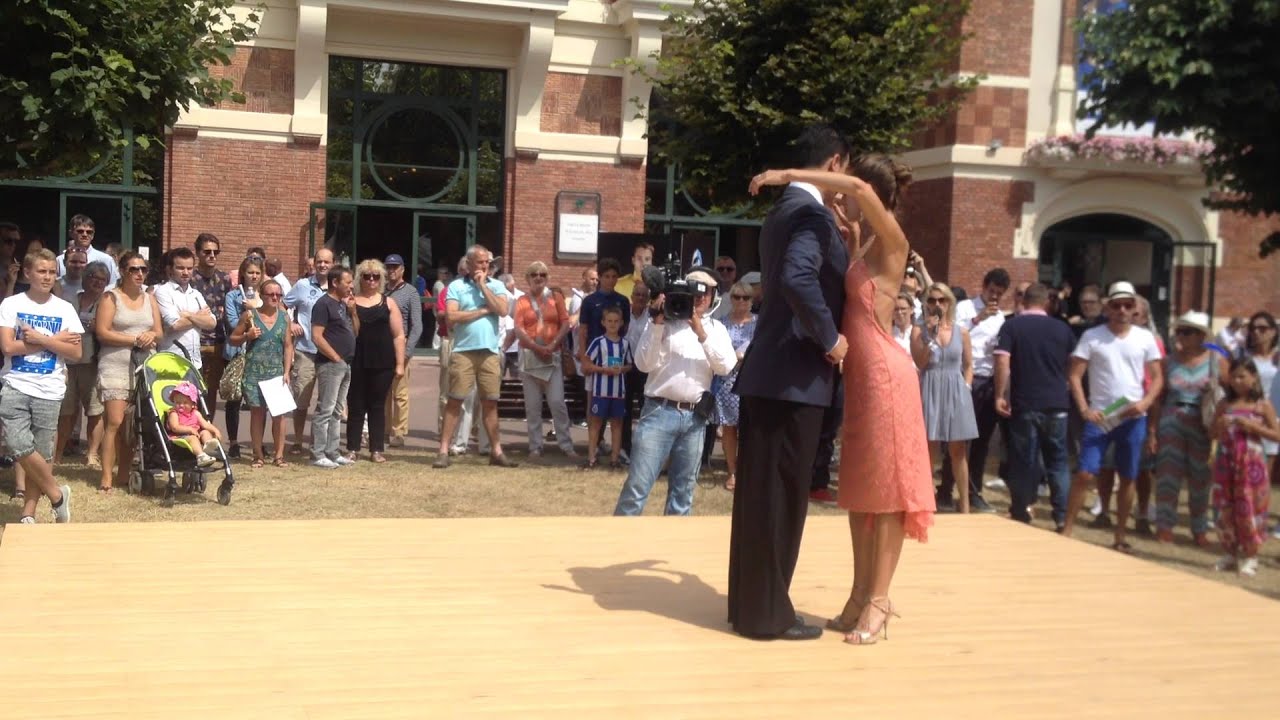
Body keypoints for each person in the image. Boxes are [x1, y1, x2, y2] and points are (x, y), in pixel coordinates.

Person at [748, 151, 934, 645]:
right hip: (859, 380)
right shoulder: (868, 242)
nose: (839, 196)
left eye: (845, 188)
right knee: (860, 491)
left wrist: (786, 173)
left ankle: (879, 599)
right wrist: (850, 241)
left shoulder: (894, 236)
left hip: (888, 379)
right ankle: (858, 594)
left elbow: (860, 192)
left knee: (890, 494)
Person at [728, 124, 851, 642]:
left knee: (759, 499)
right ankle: (768, 616)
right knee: (780, 501)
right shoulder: (811, 214)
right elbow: (801, 279)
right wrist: (831, 338)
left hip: (771, 374)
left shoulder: (782, 212)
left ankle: (750, 605)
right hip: (794, 378)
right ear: (836, 164)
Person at [613, 268, 735, 515]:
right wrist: (657, 322)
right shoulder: (664, 321)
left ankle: (671, 550)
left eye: (706, 291)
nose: (700, 297)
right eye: (694, 290)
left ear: (713, 296)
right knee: (637, 488)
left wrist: (700, 331)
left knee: (682, 494)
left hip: (694, 419)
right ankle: (617, 546)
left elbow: (726, 366)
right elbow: (642, 364)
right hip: (659, 410)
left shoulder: (717, 330)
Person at [1061, 281, 1164, 552]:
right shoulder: (1093, 336)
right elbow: (1074, 374)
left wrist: (1145, 403)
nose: (1122, 310)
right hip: (1101, 416)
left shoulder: (1145, 338)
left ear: (1135, 307)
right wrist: (1084, 409)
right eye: (1116, 305)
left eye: (1127, 305)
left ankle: (1119, 536)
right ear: (1107, 307)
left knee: (1128, 475)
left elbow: (1157, 378)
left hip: (1132, 416)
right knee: (1085, 473)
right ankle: (1068, 529)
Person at [1, 249, 83, 524]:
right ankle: (57, 494)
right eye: (41, 271)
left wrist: (40, 338)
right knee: (16, 443)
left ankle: (29, 513)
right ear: (27, 273)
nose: (48, 277)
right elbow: (8, 346)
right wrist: (54, 339)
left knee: (43, 452)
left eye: (51, 272)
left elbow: (76, 353)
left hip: (50, 388)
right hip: (16, 384)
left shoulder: (64, 308)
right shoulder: (11, 305)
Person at [994, 282, 1078, 530]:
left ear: (1023, 301)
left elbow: (1001, 361)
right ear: (1047, 302)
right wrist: (1065, 383)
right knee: (1058, 461)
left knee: (1024, 459)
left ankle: (1021, 510)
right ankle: (1061, 515)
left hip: (1025, 401)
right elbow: (1075, 361)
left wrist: (1000, 394)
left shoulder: (1012, 326)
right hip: (1057, 402)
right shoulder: (1062, 329)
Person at [434, 245, 518, 469]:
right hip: (463, 351)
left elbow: (501, 309)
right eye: (480, 262)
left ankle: (496, 451)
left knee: (490, 402)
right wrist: (481, 311)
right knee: (455, 400)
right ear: (469, 264)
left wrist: (483, 285)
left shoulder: (497, 285)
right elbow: (451, 316)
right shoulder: (457, 287)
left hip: (490, 351)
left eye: (487, 263)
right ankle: (443, 450)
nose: (485, 266)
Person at [1150, 310, 1227, 545]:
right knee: (1167, 475)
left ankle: (1199, 528)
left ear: (1201, 335)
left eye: (1187, 332)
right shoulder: (1169, 361)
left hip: (1203, 422)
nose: (1180, 336)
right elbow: (1157, 397)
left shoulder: (1216, 359)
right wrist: (1152, 430)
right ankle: (1165, 525)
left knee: (1201, 477)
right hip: (1172, 418)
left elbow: (1228, 391)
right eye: (1179, 331)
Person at [938, 267, 1010, 513]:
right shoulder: (966, 308)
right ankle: (945, 490)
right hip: (962, 377)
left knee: (981, 442)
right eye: (992, 291)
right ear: (984, 286)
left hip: (986, 382)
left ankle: (973, 492)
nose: (994, 298)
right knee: (957, 440)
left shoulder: (1002, 318)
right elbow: (951, 334)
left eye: (999, 294)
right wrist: (979, 318)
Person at [95, 251, 162, 493]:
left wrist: (151, 335)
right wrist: (134, 339)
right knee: (115, 421)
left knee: (134, 425)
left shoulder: (149, 298)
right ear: (123, 271)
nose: (139, 274)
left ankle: (124, 474)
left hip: (143, 366)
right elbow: (102, 332)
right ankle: (106, 477)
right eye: (134, 269)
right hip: (115, 365)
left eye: (143, 269)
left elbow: (159, 332)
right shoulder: (110, 298)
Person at [1210, 359, 1280, 577]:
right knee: (1226, 507)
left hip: (1251, 463)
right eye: (1234, 377)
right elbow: (1211, 432)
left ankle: (1251, 555)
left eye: (1242, 376)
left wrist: (1254, 427)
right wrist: (1219, 426)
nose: (1237, 381)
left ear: (1254, 378)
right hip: (1226, 460)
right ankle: (1230, 552)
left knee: (1250, 508)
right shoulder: (1224, 404)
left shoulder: (1262, 405)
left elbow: (1277, 434)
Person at [912, 282, 977, 514]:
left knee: (958, 451)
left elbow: (969, 365)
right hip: (929, 386)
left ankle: (965, 504)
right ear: (926, 304)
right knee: (928, 449)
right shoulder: (918, 330)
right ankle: (926, 504)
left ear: (950, 302)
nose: (937, 304)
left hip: (956, 390)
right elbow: (919, 362)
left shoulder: (962, 332)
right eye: (932, 300)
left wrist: (966, 387)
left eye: (942, 300)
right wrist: (931, 334)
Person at [513, 261, 576, 459]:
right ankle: (535, 446)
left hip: (552, 356)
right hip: (530, 357)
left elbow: (565, 323)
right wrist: (536, 347)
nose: (538, 278)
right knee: (533, 405)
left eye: (542, 274)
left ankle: (566, 445)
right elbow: (519, 328)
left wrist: (552, 344)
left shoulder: (555, 297)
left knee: (557, 402)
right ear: (528, 278)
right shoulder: (522, 300)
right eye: (534, 275)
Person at [229, 278, 293, 468]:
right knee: (258, 414)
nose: (275, 298)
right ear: (262, 296)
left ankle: (279, 455)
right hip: (254, 372)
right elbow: (232, 339)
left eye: (278, 294)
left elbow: (288, 346)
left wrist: (287, 371)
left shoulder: (285, 317)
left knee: (279, 415)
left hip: (276, 372)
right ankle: (258, 455)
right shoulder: (250, 316)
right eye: (270, 294)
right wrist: (247, 336)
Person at [346, 259, 405, 463]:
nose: (371, 280)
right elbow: (352, 332)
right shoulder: (351, 301)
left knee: (377, 406)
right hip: (357, 359)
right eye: (366, 276)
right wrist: (352, 312)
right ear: (359, 278)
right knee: (355, 405)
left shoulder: (388, 303)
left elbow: (398, 335)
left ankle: (376, 449)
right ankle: (352, 448)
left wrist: (399, 364)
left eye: (375, 276)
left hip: (383, 361)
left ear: (381, 279)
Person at [54, 261, 108, 467]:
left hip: (93, 363)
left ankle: (92, 454)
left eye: (102, 279)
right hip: (68, 363)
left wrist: (100, 327)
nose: (97, 282)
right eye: (93, 277)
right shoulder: (69, 302)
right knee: (66, 412)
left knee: (95, 410)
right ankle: (57, 454)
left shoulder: (106, 303)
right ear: (85, 279)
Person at [284, 248, 334, 455]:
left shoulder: (338, 285)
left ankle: (319, 443)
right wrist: (292, 322)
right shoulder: (302, 286)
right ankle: (297, 441)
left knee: (326, 401)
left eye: (326, 262)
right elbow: (281, 304)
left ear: (333, 263)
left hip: (330, 353)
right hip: (306, 350)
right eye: (319, 262)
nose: (322, 265)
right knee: (301, 400)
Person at [308, 266, 359, 469]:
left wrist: (353, 312)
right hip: (330, 364)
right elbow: (317, 336)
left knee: (338, 410)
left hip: (345, 364)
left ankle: (332, 451)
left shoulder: (342, 305)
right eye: (347, 282)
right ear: (335, 282)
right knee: (325, 409)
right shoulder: (323, 304)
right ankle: (318, 453)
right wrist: (336, 357)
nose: (351, 286)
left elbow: (355, 332)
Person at [712, 281, 757, 491]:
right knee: (729, 429)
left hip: (751, 383)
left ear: (752, 300)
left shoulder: (759, 323)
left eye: (745, 297)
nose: (741, 301)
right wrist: (735, 357)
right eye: (737, 296)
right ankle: (732, 472)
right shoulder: (720, 324)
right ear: (731, 299)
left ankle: (748, 473)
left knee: (750, 430)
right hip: (726, 383)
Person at [221, 256, 266, 458]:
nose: (254, 276)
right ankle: (233, 442)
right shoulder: (232, 296)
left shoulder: (266, 296)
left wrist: (256, 308)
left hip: (259, 353)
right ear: (243, 274)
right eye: (250, 272)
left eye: (257, 272)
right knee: (235, 399)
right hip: (237, 352)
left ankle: (258, 442)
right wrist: (245, 311)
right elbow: (232, 323)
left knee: (258, 400)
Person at [584, 307, 633, 469]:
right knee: (596, 423)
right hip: (601, 391)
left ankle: (614, 459)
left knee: (617, 424)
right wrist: (603, 370)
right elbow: (587, 363)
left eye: (616, 321)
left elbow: (630, 364)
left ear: (621, 323)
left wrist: (622, 369)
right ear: (603, 323)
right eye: (609, 321)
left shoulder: (625, 344)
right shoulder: (598, 342)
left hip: (618, 392)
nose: (612, 324)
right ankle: (591, 457)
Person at [382, 254, 423, 448]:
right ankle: (383, 429)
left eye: (395, 267)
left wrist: (407, 352)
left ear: (402, 269)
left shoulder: (411, 292)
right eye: (389, 267)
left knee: (399, 393)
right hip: (382, 347)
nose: (391, 270)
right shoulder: (380, 291)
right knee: (382, 392)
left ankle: (398, 432)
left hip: (400, 347)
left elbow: (417, 326)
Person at [192, 233, 232, 422]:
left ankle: (208, 431)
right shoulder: (190, 278)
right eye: (207, 251)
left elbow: (228, 310)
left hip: (217, 343)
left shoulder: (224, 279)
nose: (212, 255)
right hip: (194, 343)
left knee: (211, 392)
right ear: (198, 253)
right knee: (191, 391)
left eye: (216, 252)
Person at [154, 248, 216, 367]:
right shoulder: (163, 292)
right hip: (172, 362)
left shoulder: (196, 294)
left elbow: (212, 323)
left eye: (189, 268)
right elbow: (174, 324)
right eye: (180, 268)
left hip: (195, 363)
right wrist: (199, 317)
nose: (185, 272)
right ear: (170, 269)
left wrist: (188, 315)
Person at [164, 381, 221, 467]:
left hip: (195, 434)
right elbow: (175, 427)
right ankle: (200, 456)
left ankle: (208, 445)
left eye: (185, 403)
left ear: (193, 404)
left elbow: (205, 424)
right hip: (180, 436)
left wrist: (215, 430)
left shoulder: (196, 413)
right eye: (178, 403)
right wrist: (190, 430)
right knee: (193, 438)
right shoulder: (174, 413)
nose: (181, 405)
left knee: (205, 432)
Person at [56, 215, 119, 286]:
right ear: (71, 233)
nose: (85, 234)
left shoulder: (106, 260)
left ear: (93, 235)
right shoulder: (60, 260)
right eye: (80, 231)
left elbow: (113, 286)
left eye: (89, 232)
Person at [891, 291, 914, 355]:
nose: (899, 312)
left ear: (911, 309)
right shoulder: (887, 334)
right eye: (896, 309)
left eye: (903, 309)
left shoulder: (918, 335)